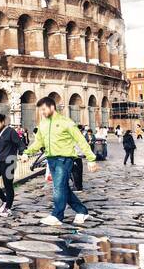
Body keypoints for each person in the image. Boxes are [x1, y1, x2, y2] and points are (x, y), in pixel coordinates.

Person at [23, 96, 99, 226]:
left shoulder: (66, 122)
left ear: (52, 107)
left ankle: (57, 215)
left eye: (44, 109)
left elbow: (81, 140)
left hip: (64, 159)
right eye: (40, 110)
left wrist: (91, 159)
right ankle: (82, 211)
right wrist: (27, 153)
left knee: (58, 187)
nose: (42, 112)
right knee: (63, 187)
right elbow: (38, 142)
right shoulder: (43, 124)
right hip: (51, 159)